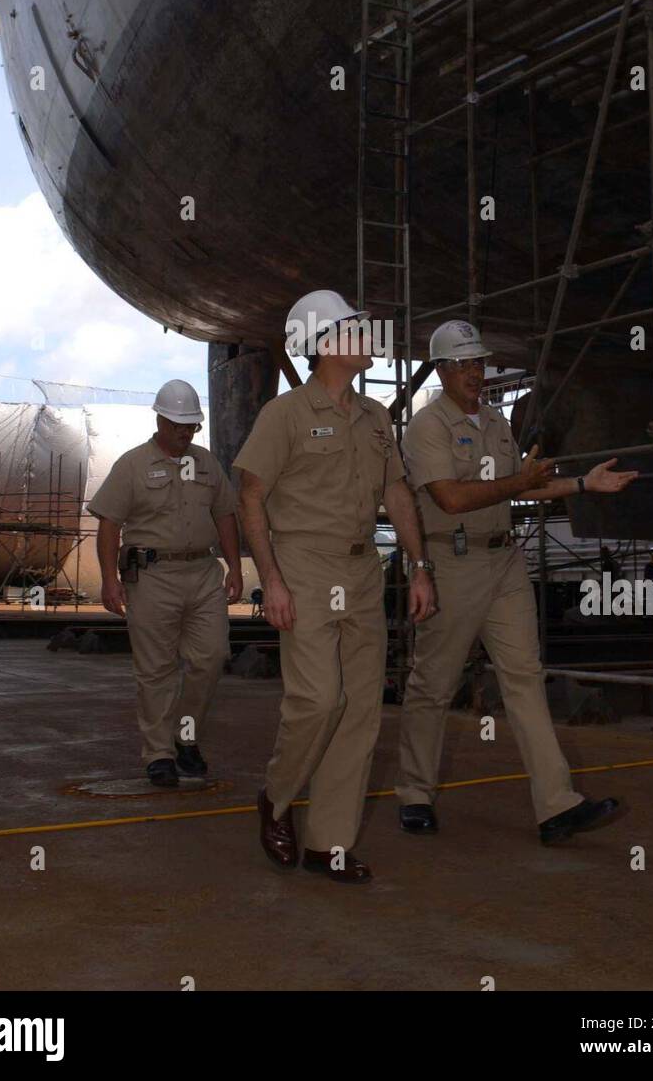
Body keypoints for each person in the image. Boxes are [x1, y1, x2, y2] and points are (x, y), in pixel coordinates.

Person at [396, 321, 638, 846]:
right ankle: (415, 792)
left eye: (479, 364)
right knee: (433, 685)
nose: (475, 374)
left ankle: (557, 806)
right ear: (442, 369)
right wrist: (521, 483)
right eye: (464, 365)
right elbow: (452, 500)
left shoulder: (495, 423)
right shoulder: (426, 428)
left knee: (526, 678)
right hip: (453, 563)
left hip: (504, 562)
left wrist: (581, 483)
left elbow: (521, 484)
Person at [235, 290, 436, 884]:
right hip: (304, 565)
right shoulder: (285, 415)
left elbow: (396, 493)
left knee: (361, 711)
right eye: (355, 328)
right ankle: (275, 797)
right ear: (325, 343)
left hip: (361, 569)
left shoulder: (375, 417)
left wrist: (420, 566)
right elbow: (250, 496)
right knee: (320, 700)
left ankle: (330, 843)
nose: (368, 336)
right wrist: (269, 579)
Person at [89, 379, 242, 786]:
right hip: (152, 577)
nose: (185, 432)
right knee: (156, 669)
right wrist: (109, 580)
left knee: (210, 658)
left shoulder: (208, 464)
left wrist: (236, 568)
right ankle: (159, 752)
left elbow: (226, 515)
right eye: (178, 424)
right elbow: (109, 525)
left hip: (204, 573)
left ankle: (185, 737)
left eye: (191, 425)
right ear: (159, 418)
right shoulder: (132, 465)